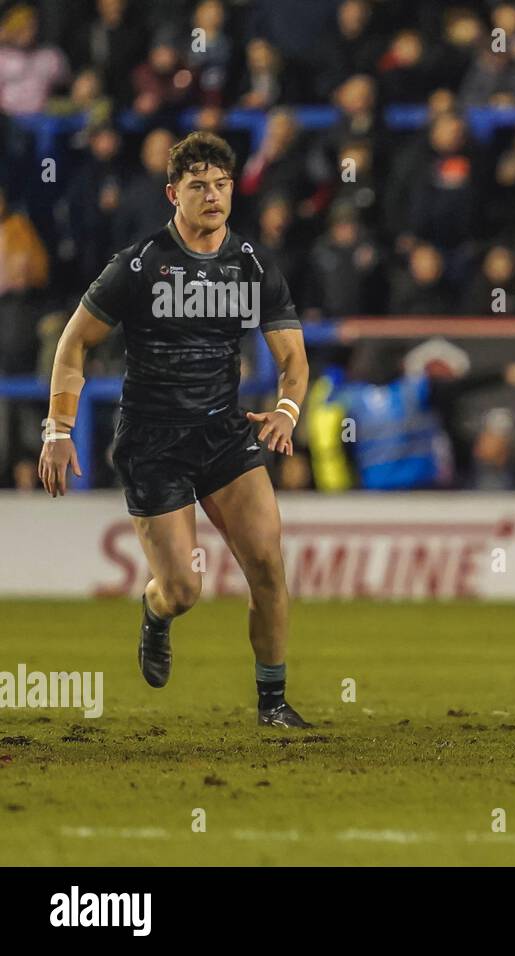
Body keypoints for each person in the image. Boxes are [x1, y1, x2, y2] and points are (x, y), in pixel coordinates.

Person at [37, 131, 312, 728]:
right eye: (198, 187)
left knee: (267, 566)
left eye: (221, 185)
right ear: (172, 194)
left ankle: (272, 704)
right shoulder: (139, 265)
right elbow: (73, 343)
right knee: (184, 590)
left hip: (223, 436)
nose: (212, 196)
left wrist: (288, 413)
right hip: (152, 443)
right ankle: (156, 612)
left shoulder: (253, 265)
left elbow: (294, 360)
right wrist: (58, 428)